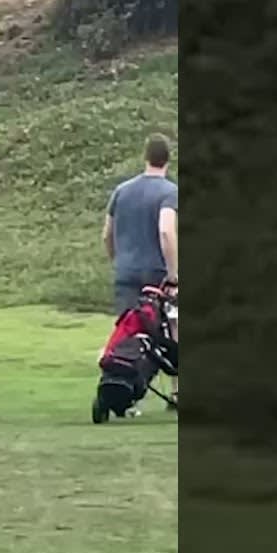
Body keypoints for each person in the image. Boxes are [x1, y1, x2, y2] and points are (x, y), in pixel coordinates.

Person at [103, 133, 178, 408]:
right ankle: (176, 392)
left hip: (126, 272)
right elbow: (166, 231)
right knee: (172, 326)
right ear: (167, 160)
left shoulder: (121, 191)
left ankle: (124, 390)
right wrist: (173, 274)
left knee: (128, 330)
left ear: (145, 157)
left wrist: (118, 260)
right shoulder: (169, 192)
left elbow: (107, 234)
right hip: (157, 275)